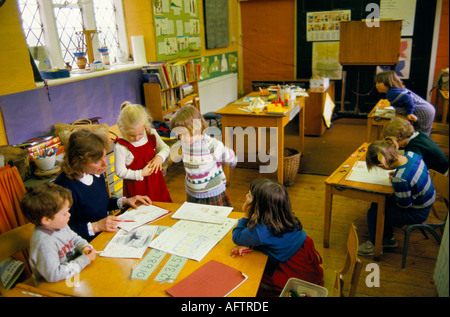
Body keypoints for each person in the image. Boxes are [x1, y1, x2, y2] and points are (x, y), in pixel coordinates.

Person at [55, 129, 152, 242]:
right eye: (97, 162)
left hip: (103, 235)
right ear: (78, 161)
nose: (104, 164)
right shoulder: (63, 188)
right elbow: (62, 232)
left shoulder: (95, 174)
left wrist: (125, 201)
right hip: (84, 245)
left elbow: (101, 203)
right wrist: (96, 226)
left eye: (104, 157)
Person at [231, 178, 324, 296]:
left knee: (248, 277)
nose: (246, 196)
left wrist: (245, 215)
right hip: (306, 266)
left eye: (249, 196)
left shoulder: (261, 230)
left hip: (297, 277)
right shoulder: (283, 216)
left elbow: (237, 237)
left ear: (259, 206)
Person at [358, 138, 436, 256]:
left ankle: (375, 246)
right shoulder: (411, 155)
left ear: (381, 165)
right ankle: (388, 238)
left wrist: (397, 184)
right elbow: (412, 173)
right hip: (426, 201)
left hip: (418, 212)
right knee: (378, 204)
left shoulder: (400, 178)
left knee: (374, 213)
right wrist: (399, 177)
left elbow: (404, 205)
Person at [20, 182, 96, 284]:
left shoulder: (59, 225)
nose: (69, 215)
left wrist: (84, 247)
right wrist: (84, 260)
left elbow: (74, 238)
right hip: (53, 286)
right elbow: (53, 275)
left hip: (72, 275)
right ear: (46, 220)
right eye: (64, 213)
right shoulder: (44, 242)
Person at [170, 106, 237, 206]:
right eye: (178, 134)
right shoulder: (183, 144)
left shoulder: (211, 144)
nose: (180, 137)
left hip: (212, 193)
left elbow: (227, 155)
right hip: (192, 192)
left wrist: (231, 160)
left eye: (183, 134)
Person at [114, 101, 172, 202]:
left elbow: (165, 148)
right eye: (131, 135)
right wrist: (140, 174)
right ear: (123, 129)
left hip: (156, 183)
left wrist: (160, 157)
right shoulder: (121, 146)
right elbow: (120, 171)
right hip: (136, 189)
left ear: (145, 126)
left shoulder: (151, 134)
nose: (136, 138)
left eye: (140, 134)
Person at [375, 70, 435, 135]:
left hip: (423, 112)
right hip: (428, 109)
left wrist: (410, 113)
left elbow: (408, 98)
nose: (376, 85)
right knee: (424, 133)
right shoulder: (395, 89)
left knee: (421, 135)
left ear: (388, 83)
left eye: (379, 82)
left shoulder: (391, 93)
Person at [382, 117, 448, 175]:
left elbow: (412, 168)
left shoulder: (413, 148)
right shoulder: (418, 134)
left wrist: (398, 173)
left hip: (437, 175)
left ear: (399, 138)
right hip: (441, 168)